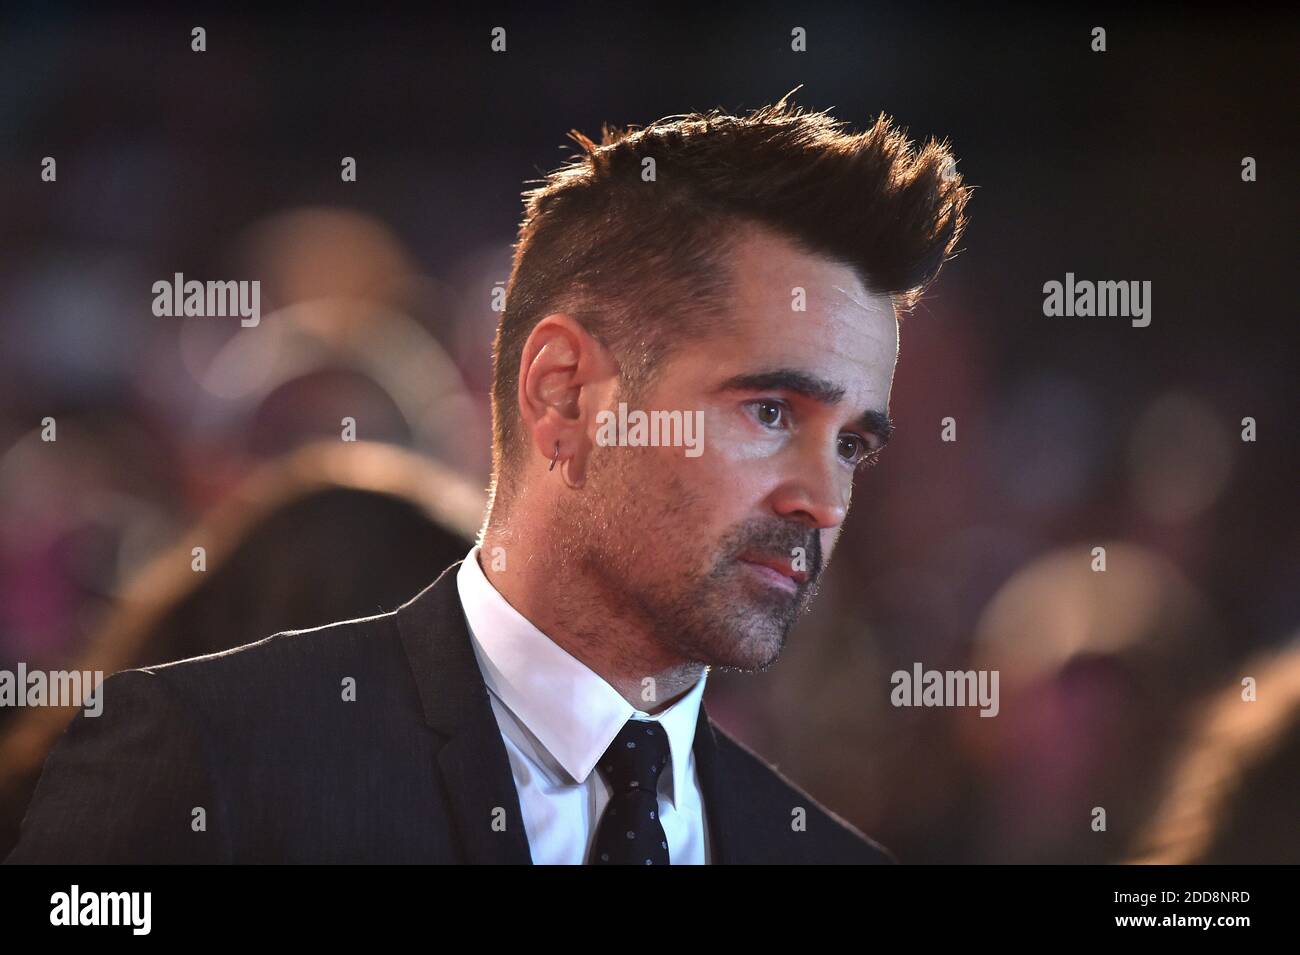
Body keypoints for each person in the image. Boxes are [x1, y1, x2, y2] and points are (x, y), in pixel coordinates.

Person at [6, 95, 969, 864]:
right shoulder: (203, 764)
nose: (825, 500)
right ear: (564, 393)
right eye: (770, 413)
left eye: (853, 444)